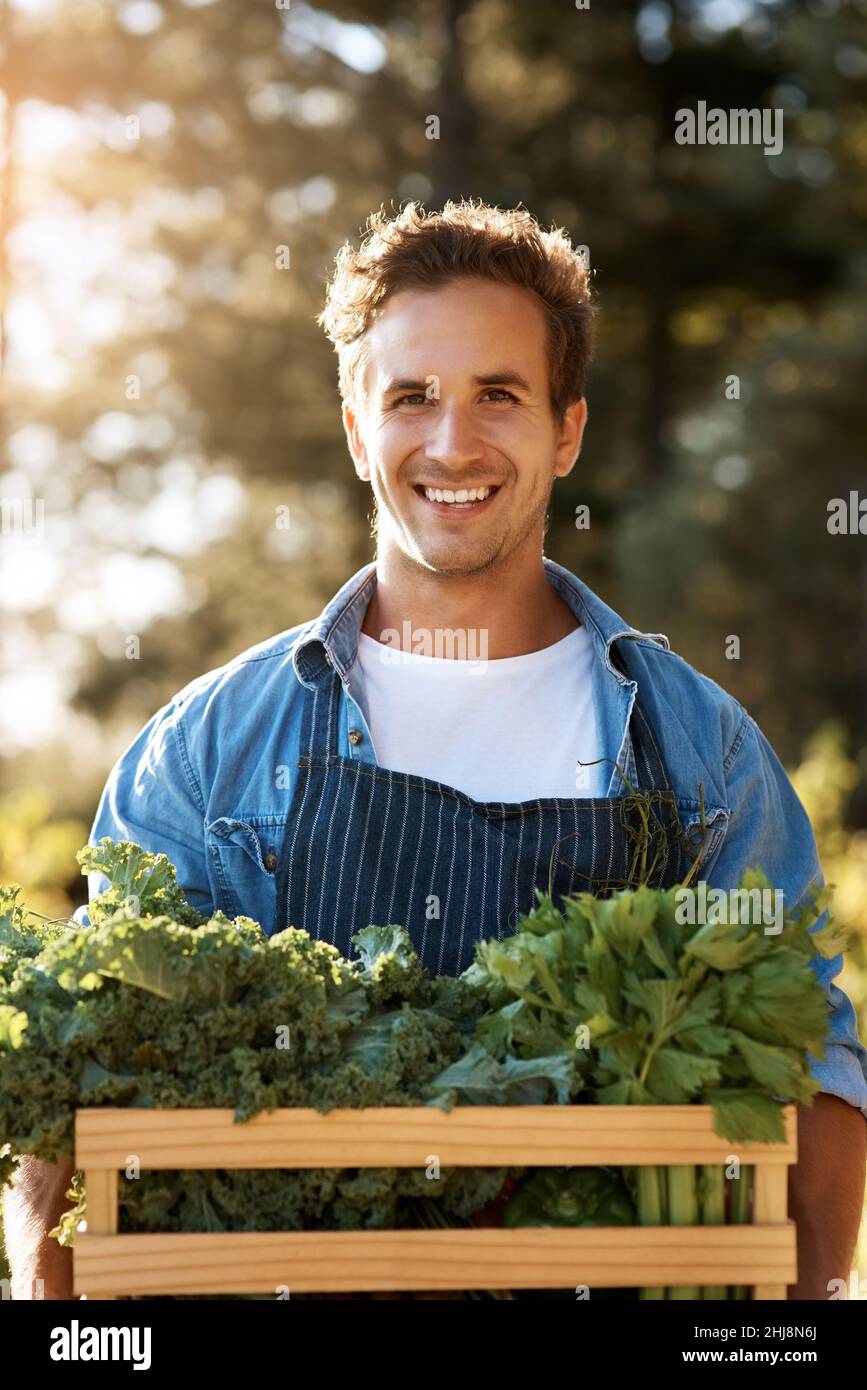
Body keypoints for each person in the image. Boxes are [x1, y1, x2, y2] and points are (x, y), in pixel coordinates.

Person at [6, 200, 865, 1301]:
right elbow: (78, 1070)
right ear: (360, 428)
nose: (452, 443)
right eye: (412, 396)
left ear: (567, 430)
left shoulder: (703, 755)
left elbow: (813, 1070)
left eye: (498, 395)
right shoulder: (208, 751)